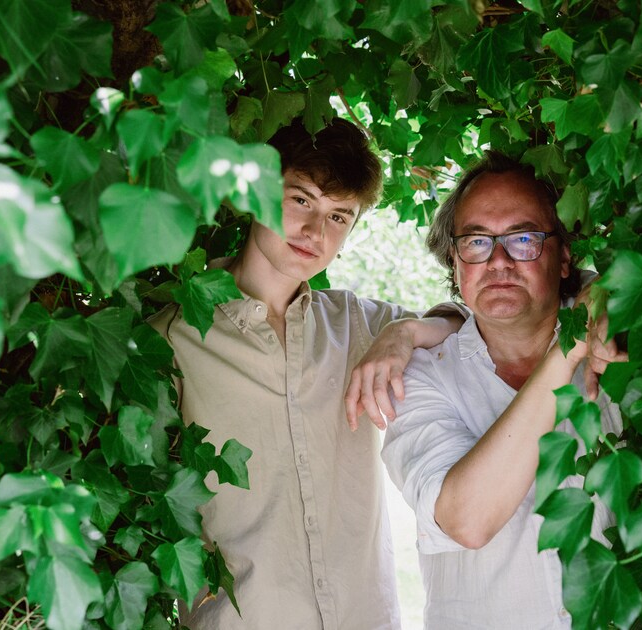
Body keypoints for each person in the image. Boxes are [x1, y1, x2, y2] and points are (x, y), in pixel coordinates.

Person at [149, 118, 464, 629]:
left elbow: (468, 326)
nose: (317, 233)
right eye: (301, 201)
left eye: (340, 216)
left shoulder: (363, 325)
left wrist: (407, 333)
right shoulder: (172, 339)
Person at [381, 151, 625, 629]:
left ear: (563, 257)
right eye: (476, 242)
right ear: (456, 262)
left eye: (523, 238)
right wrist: (569, 345)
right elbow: (466, 521)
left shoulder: (621, 340)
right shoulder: (421, 377)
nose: (497, 261)